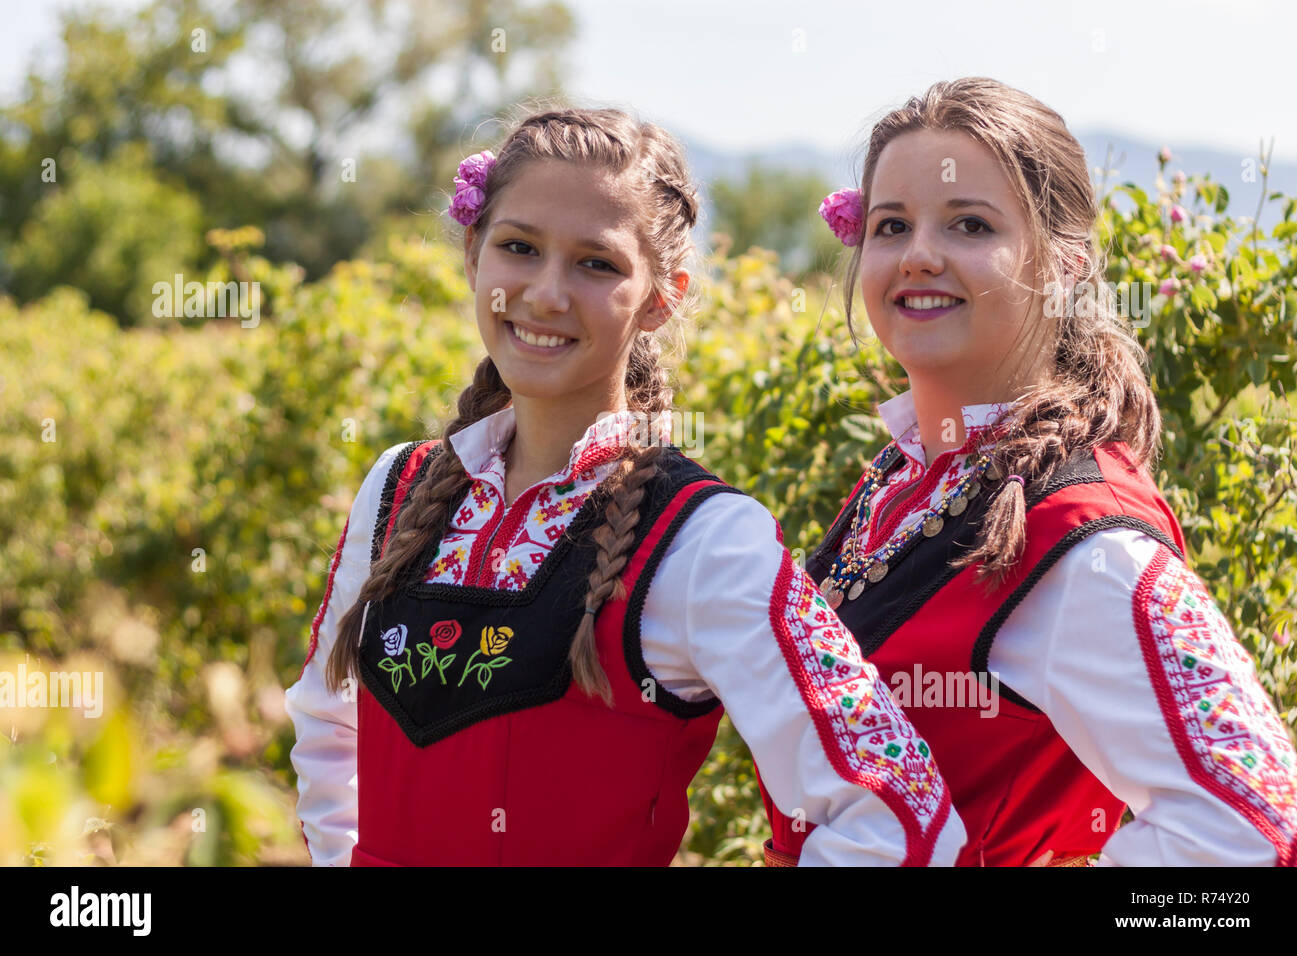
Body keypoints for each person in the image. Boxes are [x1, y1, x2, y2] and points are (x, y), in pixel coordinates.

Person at [283, 106, 967, 866]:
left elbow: (897, 813)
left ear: (659, 296)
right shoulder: (396, 488)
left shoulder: (704, 539)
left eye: (596, 264)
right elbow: (327, 724)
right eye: (519, 248)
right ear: (473, 254)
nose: (546, 294)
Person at [769, 77, 1297, 866]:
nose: (918, 255)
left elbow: (1257, 826)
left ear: (1064, 265)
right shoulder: (908, 477)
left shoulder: (1083, 541)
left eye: (970, 224)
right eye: (891, 225)